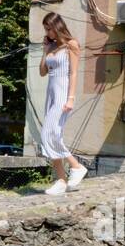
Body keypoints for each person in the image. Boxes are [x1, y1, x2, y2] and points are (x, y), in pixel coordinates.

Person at [37, 12, 87, 196]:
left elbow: (73, 73)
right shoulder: (51, 48)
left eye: (49, 28)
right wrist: (44, 51)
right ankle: (61, 180)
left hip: (63, 95)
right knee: (52, 135)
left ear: (57, 27)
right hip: (51, 95)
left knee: (47, 135)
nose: (47, 32)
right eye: (45, 29)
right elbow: (42, 72)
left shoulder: (71, 45)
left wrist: (71, 98)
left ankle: (75, 166)